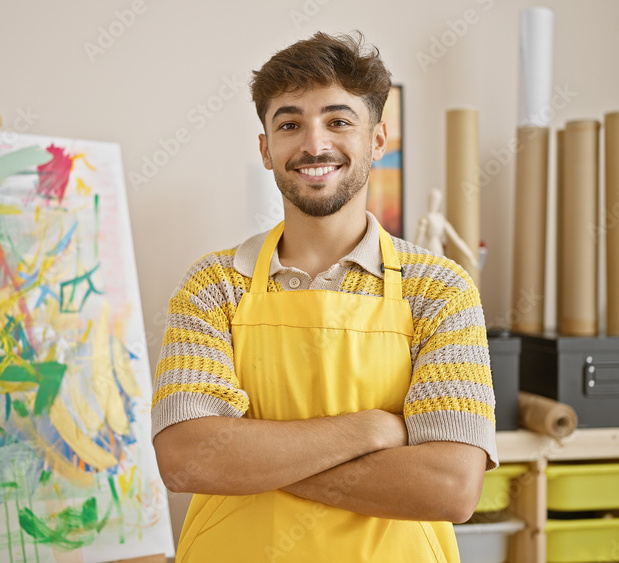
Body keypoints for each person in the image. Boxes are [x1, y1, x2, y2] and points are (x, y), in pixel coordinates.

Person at [150, 31, 498, 562]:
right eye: (290, 124)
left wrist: (256, 459)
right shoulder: (213, 286)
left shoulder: (440, 290)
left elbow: (448, 487)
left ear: (378, 139)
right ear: (266, 148)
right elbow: (187, 460)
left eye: (338, 121)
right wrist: (373, 429)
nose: (314, 145)